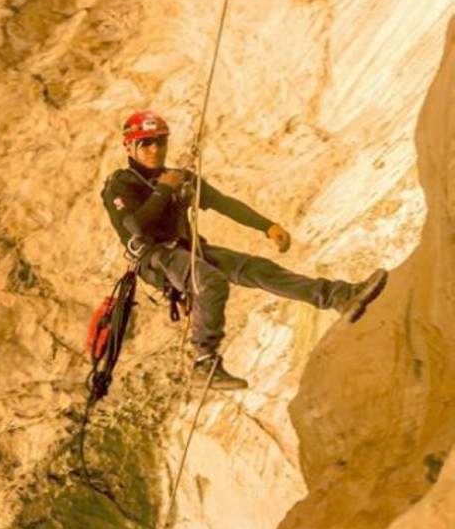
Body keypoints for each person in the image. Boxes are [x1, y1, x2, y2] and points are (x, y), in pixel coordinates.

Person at [102, 110, 388, 390]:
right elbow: (137, 227)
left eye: (160, 142)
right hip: (156, 258)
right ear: (130, 146)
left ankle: (339, 296)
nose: (155, 149)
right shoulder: (121, 185)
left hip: (188, 250)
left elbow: (224, 204)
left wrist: (267, 226)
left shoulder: (180, 178)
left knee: (258, 268)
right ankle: (204, 362)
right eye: (146, 143)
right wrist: (163, 190)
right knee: (210, 281)